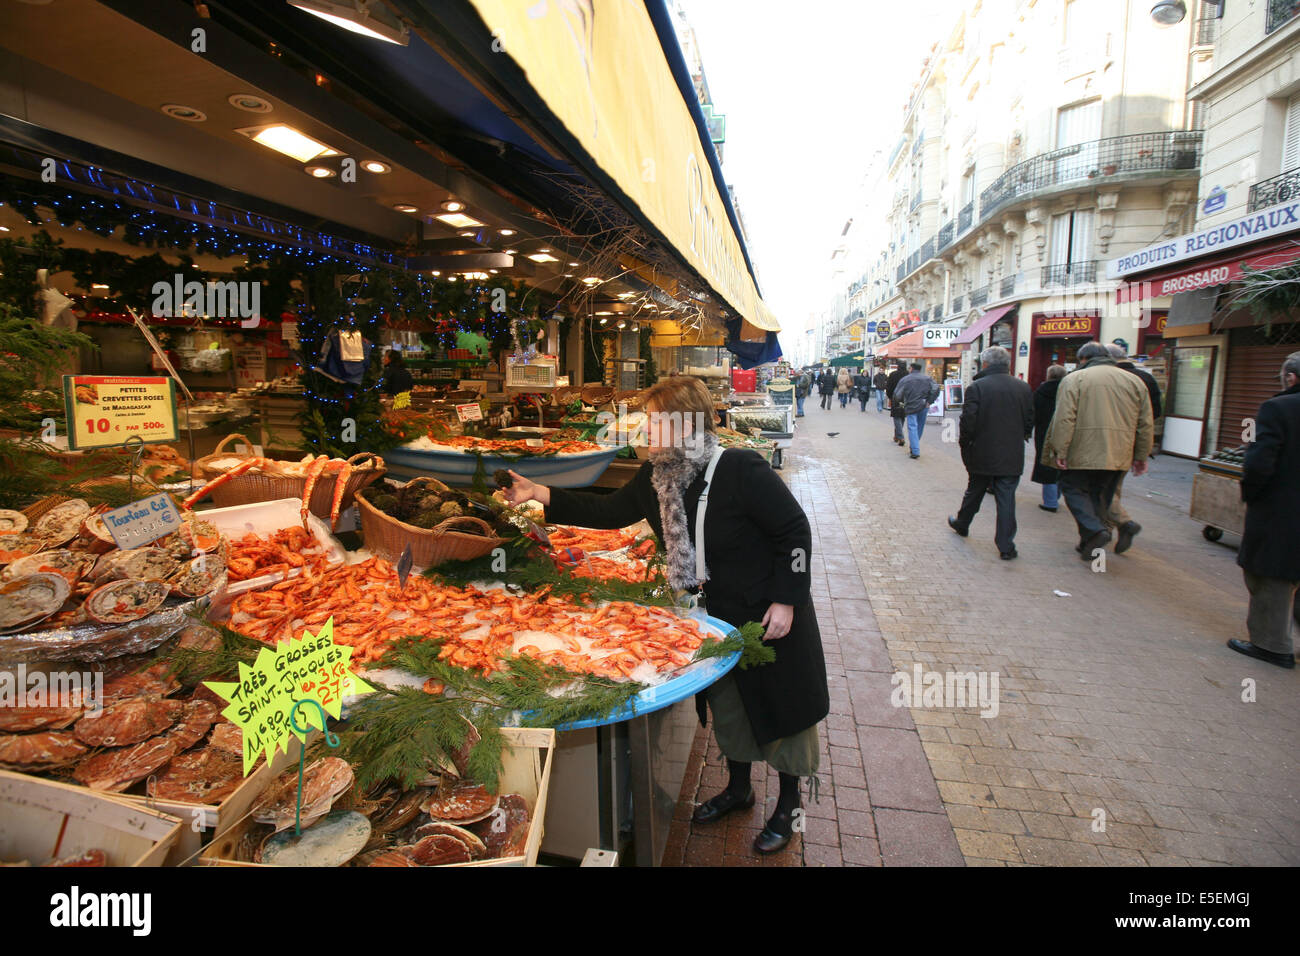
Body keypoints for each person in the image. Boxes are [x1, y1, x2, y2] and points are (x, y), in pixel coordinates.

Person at [501, 376, 830, 851]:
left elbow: (793, 531)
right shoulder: (655, 475)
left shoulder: (739, 467)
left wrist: (787, 598)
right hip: (709, 614)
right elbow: (610, 511)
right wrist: (540, 493)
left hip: (765, 614)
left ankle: (789, 805)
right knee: (730, 707)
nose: (644, 428)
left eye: (654, 420)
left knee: (783, 713)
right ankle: (738, 790)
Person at [1041, 341, 1153, 561]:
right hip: (1119, 452)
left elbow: (1065, 418)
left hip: (1082, 450)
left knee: (1072, 489)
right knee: (1101, 497)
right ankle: (1090, 542)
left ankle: (1096, 531)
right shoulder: (1135, 381)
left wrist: (1060, 451)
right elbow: (1145, 422)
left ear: (1083, 359)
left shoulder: (1075, 379)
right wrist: (1141, 455)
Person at [1229, 351, 1300, 669]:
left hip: (1282, 510)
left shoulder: (1278, 408)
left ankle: (1272, 645)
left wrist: (1252, 494)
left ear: (1291, 377)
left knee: (1269, 573)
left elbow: (1259, 462)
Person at [946, 347, 1034, 559]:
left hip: (982, 449)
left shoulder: (977, 387)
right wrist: (1020, 436)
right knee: (1006, 498)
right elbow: (1030, 419)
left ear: (985, 364)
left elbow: (969, 421)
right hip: (1011, 452)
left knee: (975, 489)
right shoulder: (1023, 387)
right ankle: (1006, 545)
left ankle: (962, 523)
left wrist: (965, 443)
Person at [1100, 342, 1163, 548]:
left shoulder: (1109, 378)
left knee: (1102, 488)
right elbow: (1153, 416)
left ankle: (1121, 524)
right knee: (1114, 486)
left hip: (1109, 440)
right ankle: (1108, 528)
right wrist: (1143, 452)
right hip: (1133, 441)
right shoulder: (1146, 378)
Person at [1031, 365, 1067, 512]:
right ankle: (1056, 496)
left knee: (1047, 464)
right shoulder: (1069, 391)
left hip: (1045, 433)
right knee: (1063, 464)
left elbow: (1033, 413)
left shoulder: (1041, 392)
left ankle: (1050, 501)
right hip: (1066, 431)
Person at [893, 361, 940, 459]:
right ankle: (915, 446)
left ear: (911, 369)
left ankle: (915, 450)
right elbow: (936, 389)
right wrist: (929, 401)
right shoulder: (927, 378)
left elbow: (897, 394)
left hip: (911, 405)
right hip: (924, 405)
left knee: (912, 427)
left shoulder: (905, 379)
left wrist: (900, 401)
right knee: (919, 427)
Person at [886, 361, 907, 444]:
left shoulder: (893, 374)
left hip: (896, 398)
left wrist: (890, 396)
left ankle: (900, 436)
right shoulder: (908, 375)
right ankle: (897, 435)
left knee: (896, 417)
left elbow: (889, 387)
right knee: (902, 416)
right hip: (906, 398)